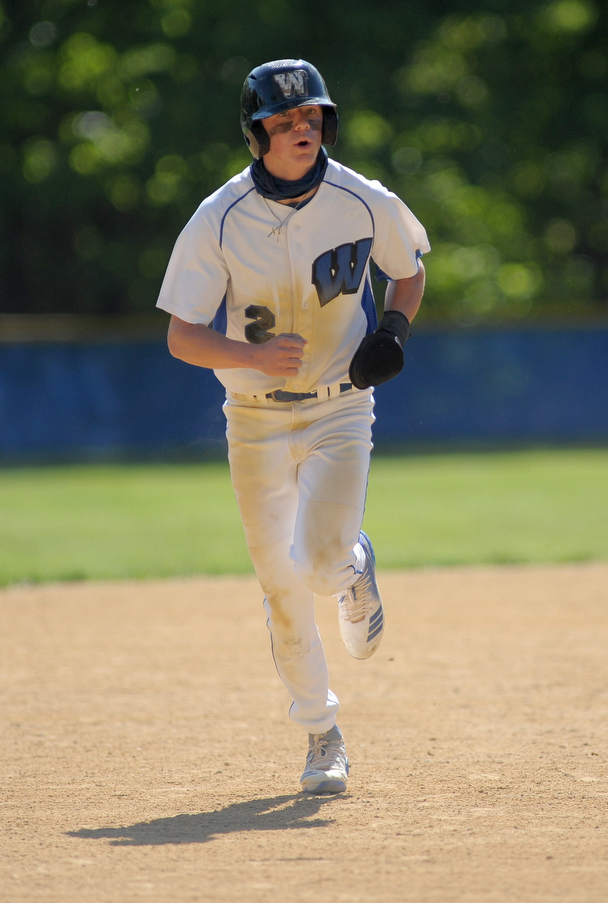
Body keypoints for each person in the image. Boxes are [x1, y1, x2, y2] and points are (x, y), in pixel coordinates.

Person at [157, 59, 429, 794]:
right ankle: (321, 734)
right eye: (283, 121)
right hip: (254, 417)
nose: (301, 128)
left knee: (319, 560)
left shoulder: (362, 200)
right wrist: (250, 356)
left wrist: (393, 331)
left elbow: (409, 269)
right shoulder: (219, 218)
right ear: (256, 137)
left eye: (311, 116)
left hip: (341, 404)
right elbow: (182, 335)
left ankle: (351, 565)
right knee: (281, 587)